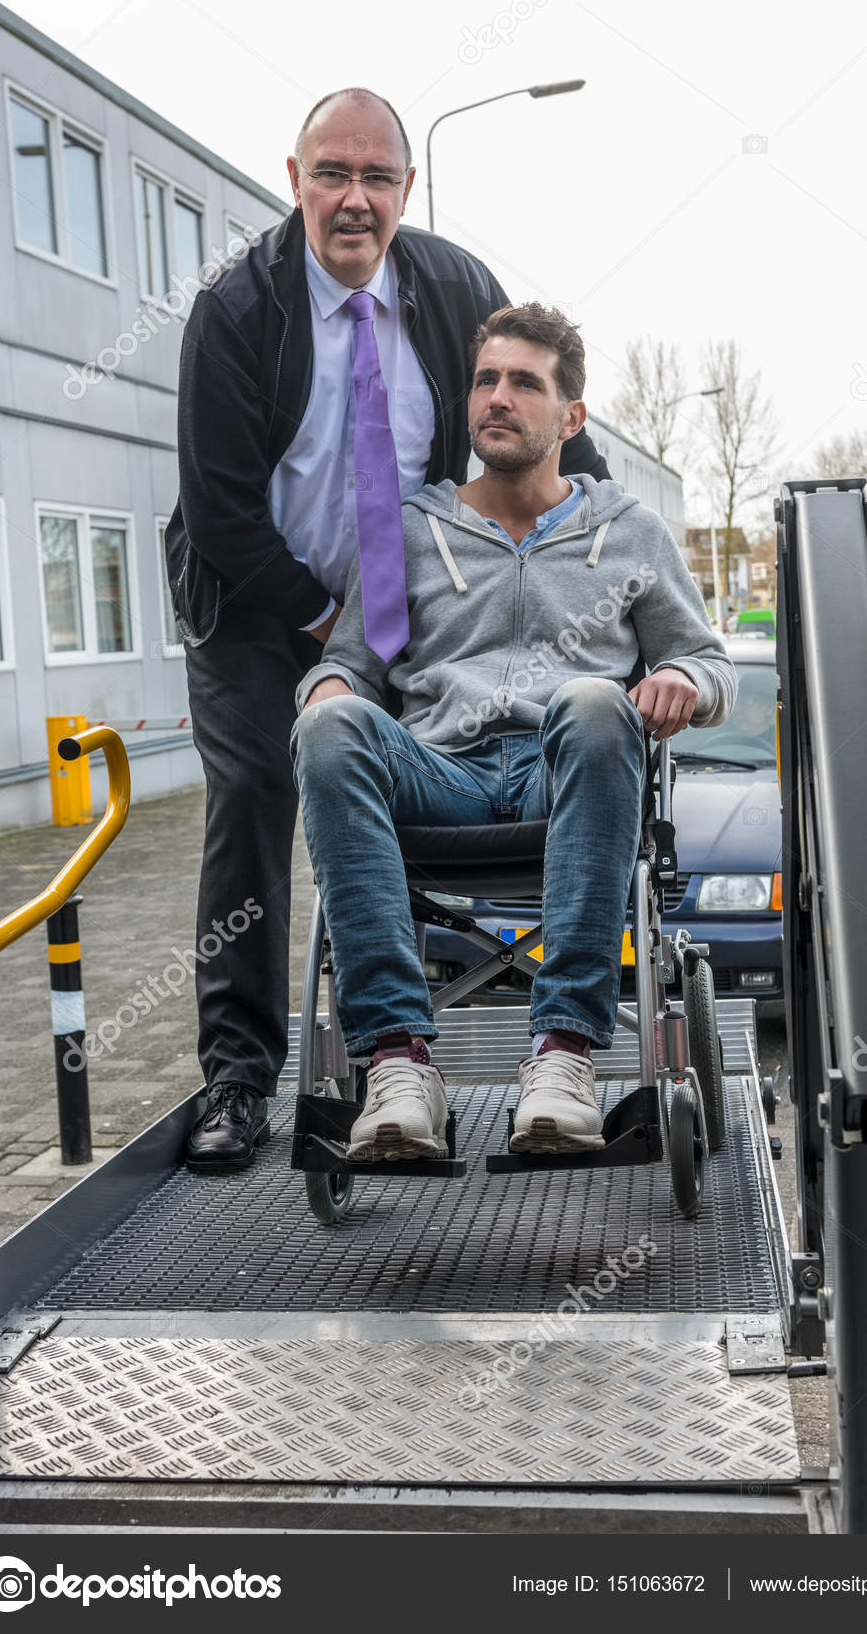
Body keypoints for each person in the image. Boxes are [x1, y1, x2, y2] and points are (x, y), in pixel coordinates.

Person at [168, 89, 610, 1172]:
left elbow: (540, 432)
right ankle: (236, 1074)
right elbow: (221, 505)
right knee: (258, 794)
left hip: (403, 607)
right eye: (332, 175)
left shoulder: (456, 287)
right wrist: (333, 631)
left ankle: (417, 1045)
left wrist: (605, 540)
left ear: (407, 188)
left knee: (412, 767)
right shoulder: (235, 310)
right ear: (295, 180)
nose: (354, 200)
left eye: (376, 177)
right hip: (257, 606)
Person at [292, 304, 736, 1160]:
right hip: (439, 774)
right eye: (486, 380)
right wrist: (332, 688)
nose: (498, 397)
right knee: (332, 726)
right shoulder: (409, 531)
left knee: (597, 701)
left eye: (524, 383)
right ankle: (397, 1063)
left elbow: (709, 664)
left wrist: (681, 676)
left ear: (571, 416)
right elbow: (346, 665)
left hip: (565, 772)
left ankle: (564, 1054)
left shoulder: (629, 530)